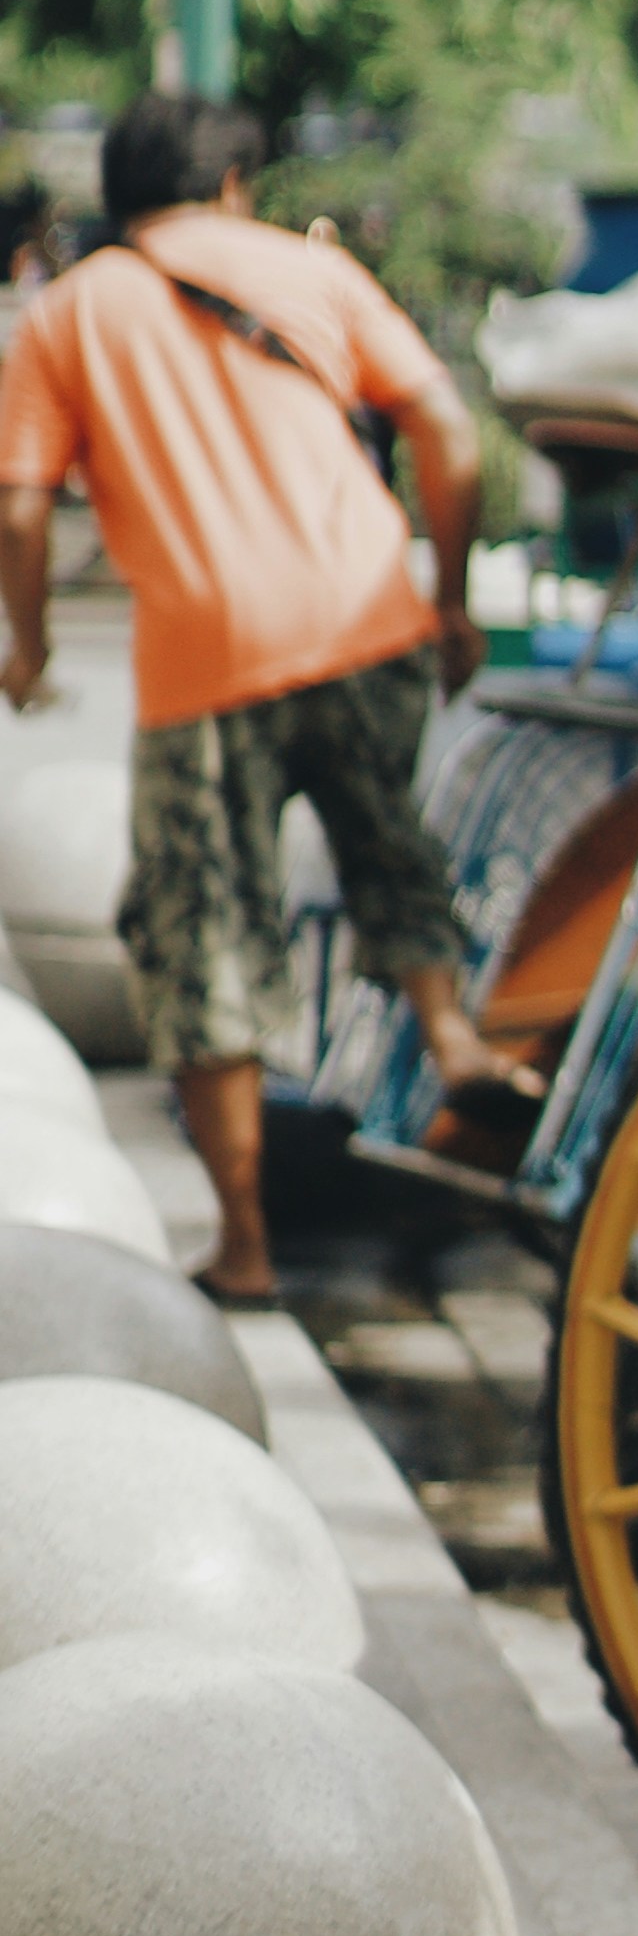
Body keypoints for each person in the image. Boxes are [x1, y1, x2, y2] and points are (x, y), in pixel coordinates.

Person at [0, 90, 518, 1303]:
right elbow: (447, 431)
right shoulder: (306, 272)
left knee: (205, 937)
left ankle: (245, 1244)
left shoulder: (69, 313)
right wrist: (449, 597)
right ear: (233, 184)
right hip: (367, 617)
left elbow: (21, 505)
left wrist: (25, 650)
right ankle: (451, 1033)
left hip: (209, 659)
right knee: (389, 846)